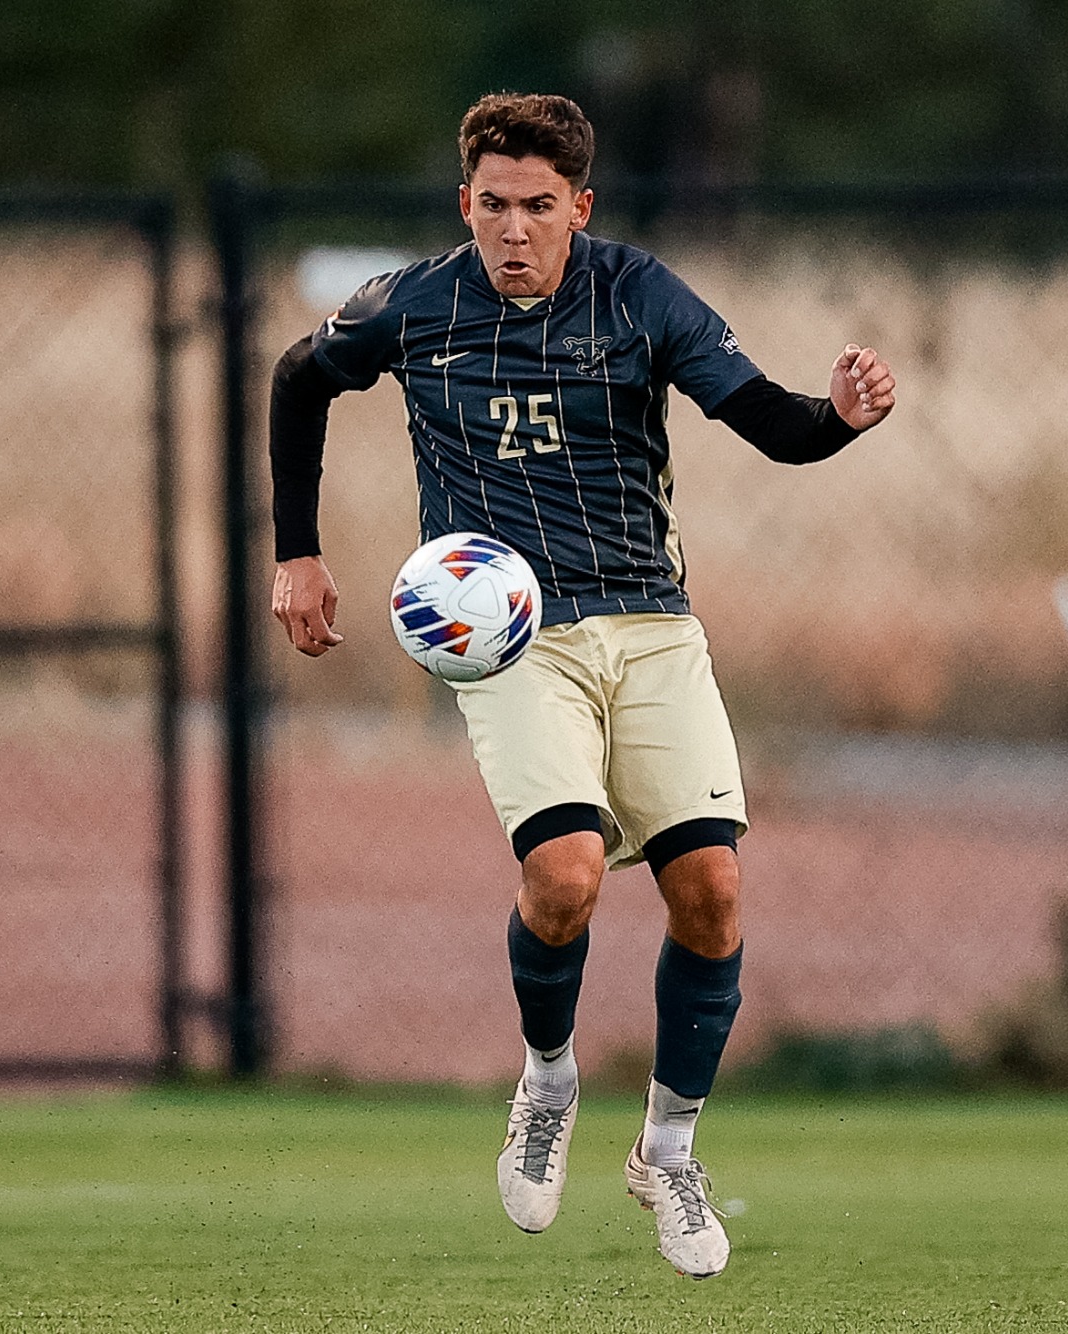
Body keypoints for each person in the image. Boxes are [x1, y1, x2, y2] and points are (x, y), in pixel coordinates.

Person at [266, 92, 896, 1279]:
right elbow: (299, 379)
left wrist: (839, 418)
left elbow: (768, 421)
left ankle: (666, 1147)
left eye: (538, 207)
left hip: (649, 620)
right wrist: (296, 552)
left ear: (580, 208)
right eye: (493, 204)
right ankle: (548, 1079)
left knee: (710, 890)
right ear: (464, 202)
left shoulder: (637, 294)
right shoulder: (413, 304)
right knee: (563, 877)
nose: (514, 228)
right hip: (512, 632)